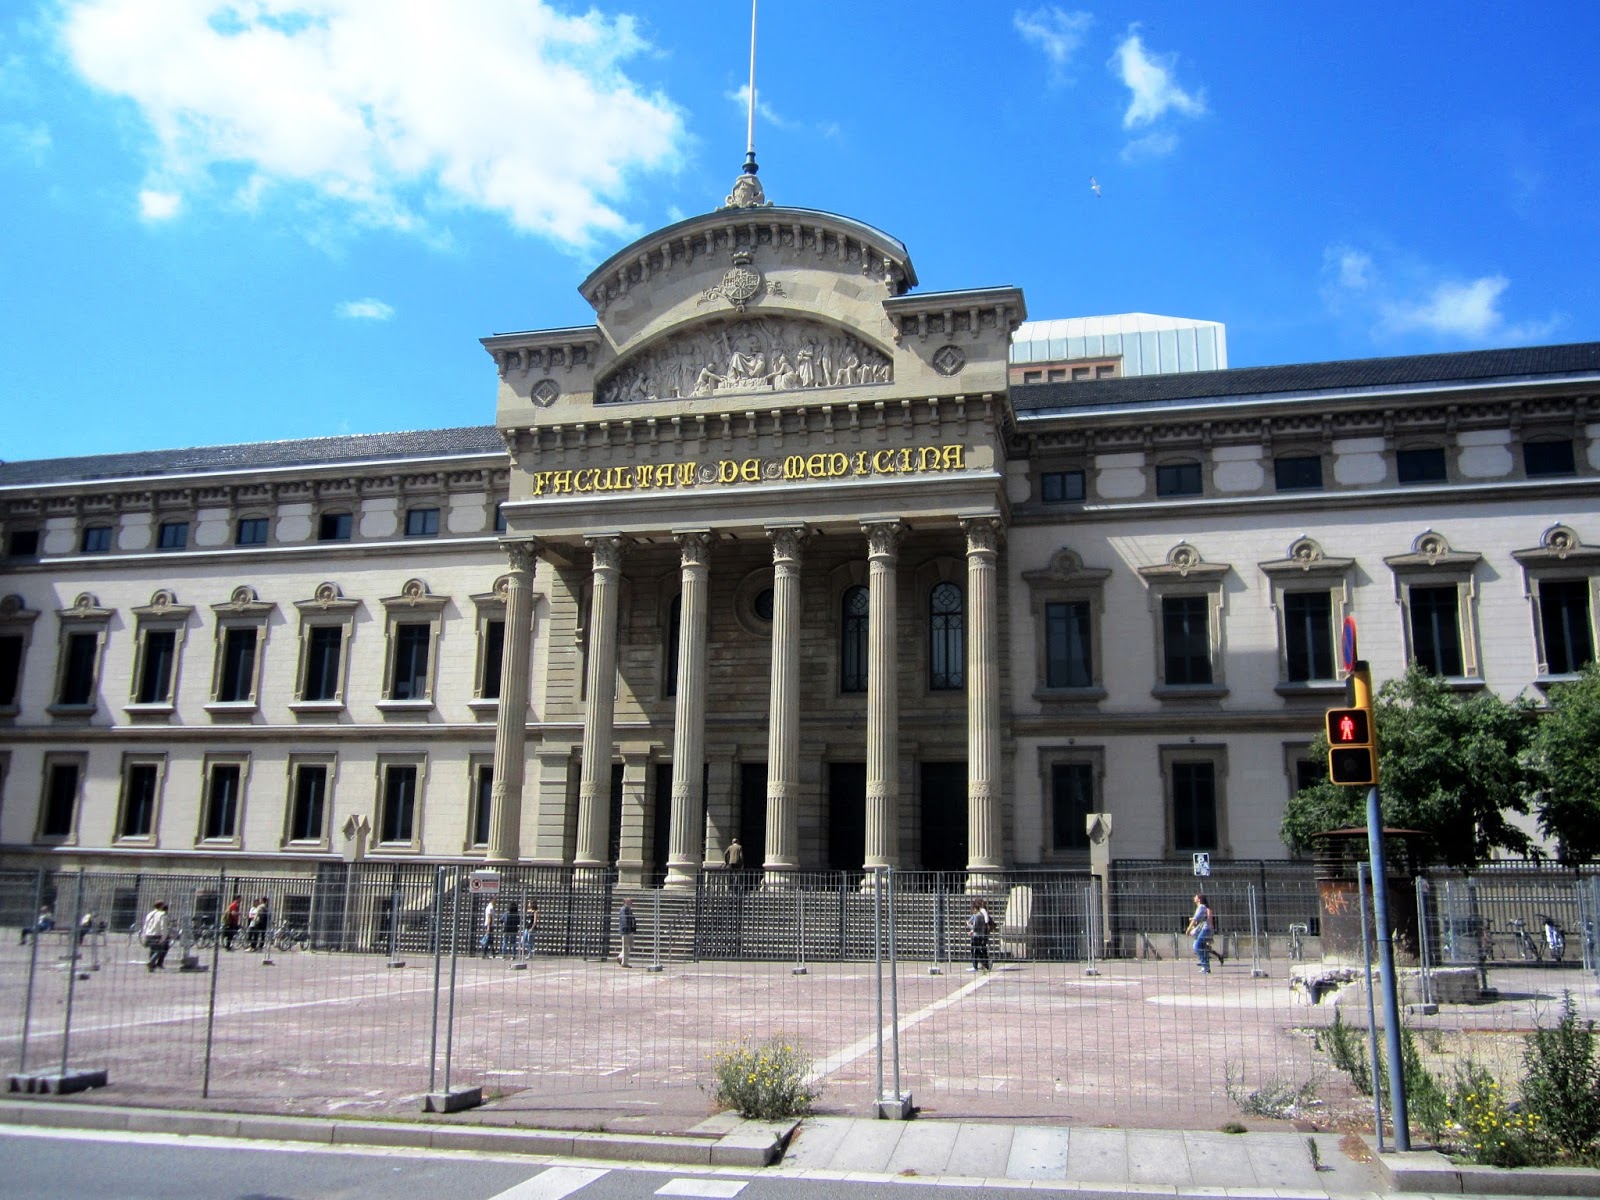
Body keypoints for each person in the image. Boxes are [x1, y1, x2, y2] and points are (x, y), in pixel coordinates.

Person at [1187, 893, 1223, 973]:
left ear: (1199, 899)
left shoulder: (1201, 907)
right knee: (1202, 947)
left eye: (1195, 897)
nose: (1194, 898)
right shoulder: (1204, 908)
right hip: (1206, 929)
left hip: (1205, 929)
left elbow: (1195, 919)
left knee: (1197, 946)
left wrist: (1188, 929)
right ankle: (1205, 966)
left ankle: (1205, 965)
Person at [142, 901, 171, 972]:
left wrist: (144, 934)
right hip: (157, 934)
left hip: (149, 934)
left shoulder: (149, 914)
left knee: (153, 949)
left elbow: (146, 925)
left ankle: (152, 967)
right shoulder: (162, 914)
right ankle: (151, 962)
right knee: (160, 950)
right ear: (161, 906)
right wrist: (164, 936)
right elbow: (163, 926)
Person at [968, 899, 994, 973]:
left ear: (975, 908)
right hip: (981, 934)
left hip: (978, 936)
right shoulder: (981, 914)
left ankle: (982, 964)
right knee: (979, 950)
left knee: (976, 951)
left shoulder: (978, 915)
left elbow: (976, 927)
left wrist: (969, 925)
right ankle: (985, 964)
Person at [616, 897, 637, 968]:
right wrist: (627, 929)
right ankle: (624, 962)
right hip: (626, 931)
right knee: (625, 947)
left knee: (630, 945)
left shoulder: (628, 909)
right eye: (629, 902)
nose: (631, 903)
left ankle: (620, 957)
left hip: (629, 930)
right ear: (625, 902)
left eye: (631, 902)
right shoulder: (623, 909)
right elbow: (625, 920)